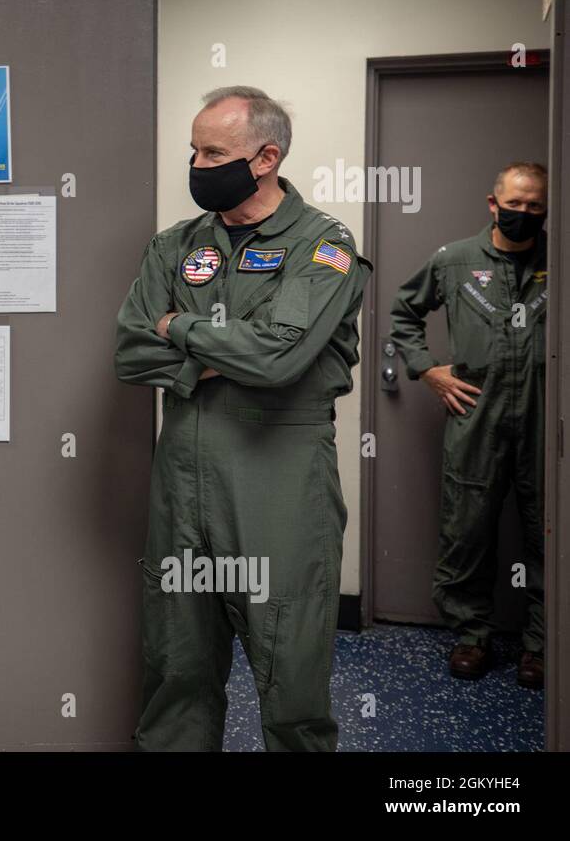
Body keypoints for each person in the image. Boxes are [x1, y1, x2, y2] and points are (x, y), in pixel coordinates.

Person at [114, 85, 372, 751]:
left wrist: (179, 326)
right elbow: (130, 350)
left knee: (291, 684)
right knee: (176, 672)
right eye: (193, 151)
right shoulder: (176, 245)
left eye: (213, 152)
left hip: (277, 487)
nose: (197, 165)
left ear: (266, 157)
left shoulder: (323, 244)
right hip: (183, 488)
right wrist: (216, 350)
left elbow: (280, 356)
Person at [389, 162, 548, 689]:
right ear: (492, 203)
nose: (522, 213)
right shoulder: (454, 260)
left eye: (534, 206)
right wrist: (428, 370)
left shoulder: (562, 259)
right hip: (476, 416)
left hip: (548, 424)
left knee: (549, 533)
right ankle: (472, 635)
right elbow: (403, 314)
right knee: (468, 532)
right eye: (514, 202)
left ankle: (541, 645)